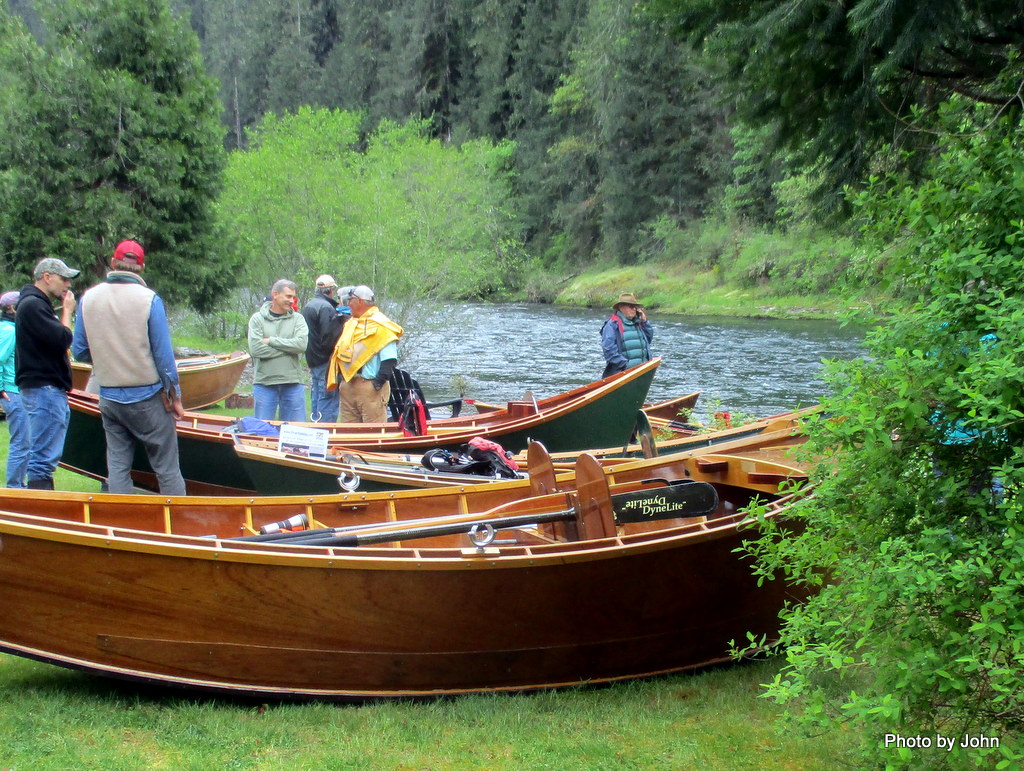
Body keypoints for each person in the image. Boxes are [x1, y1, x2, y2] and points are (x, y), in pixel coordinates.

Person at [72, 240, 186, 496]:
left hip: (109, 396)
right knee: (167, 468)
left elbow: (79, 350)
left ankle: (121, 524)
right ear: (141, 267)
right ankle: (178, 525)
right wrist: (175, 397)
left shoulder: (88, 298)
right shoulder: (149, 300)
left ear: (113, 263)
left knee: (118, 467)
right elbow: (164, 357)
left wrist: (108, 358)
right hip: (148, 398)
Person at [15, 257, 79, 490]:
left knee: (43, 455)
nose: (67, 285)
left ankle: (41, 505)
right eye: (64, 279)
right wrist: (68, 312)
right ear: (47, 277)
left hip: (43, 388)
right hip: (45, 388)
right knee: (42, 458)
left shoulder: (34, 304)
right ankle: (41, 511)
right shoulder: (33, 305)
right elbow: (63, 338)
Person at [327, 285, 403, 423]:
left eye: (350, 301)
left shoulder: (382, 325)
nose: (348, 304)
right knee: (349, 433)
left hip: (370, 386)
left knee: (374, 433)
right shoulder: (350, 324)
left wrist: (377, 384)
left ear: (360, 301)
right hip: (348, 385)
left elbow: (390, 360)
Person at [248, 279, 309, 422]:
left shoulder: (298, 319)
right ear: (275, 294)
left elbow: (301, 345)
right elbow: (256, 349)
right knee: (262, 431)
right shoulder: (257, 319)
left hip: (293, 383)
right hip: (264, 384)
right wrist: (289, 349)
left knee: (296, 434)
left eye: (293, 297)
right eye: (288, 296)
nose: (292, 300)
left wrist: (271, 341)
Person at [301, 274, 345, 422]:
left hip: (313, 359)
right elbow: (329, 338)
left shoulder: (309, 305)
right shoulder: (326, 308)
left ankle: (315, 427)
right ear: (331, 290)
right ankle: (325, 431)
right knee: (328, 398)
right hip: (325, 361)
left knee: (317, 395)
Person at [0, 291, 30, 488]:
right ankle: (15, 488)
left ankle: (19, 485)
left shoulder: (12, 328)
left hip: (17, 391)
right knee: (22, 442)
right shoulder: (8, 330)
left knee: (25, 442)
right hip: (13, 392)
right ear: (12, 308)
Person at [600, 292, 654, 378]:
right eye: (631, 306)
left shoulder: (639, 323)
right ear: (621, 307)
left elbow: (648, 340)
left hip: (641, 373)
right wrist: (625, 365)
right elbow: (608, 350)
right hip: (623, 375)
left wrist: (644, 321)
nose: (634, 309)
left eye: (636, 307)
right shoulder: (612, 325)